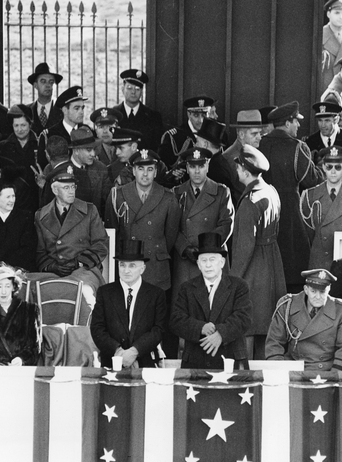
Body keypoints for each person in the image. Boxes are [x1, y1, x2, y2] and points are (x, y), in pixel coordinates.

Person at [258, 101, 324, 293]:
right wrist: (318, 165)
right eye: (296, 121)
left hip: (263, 211)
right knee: (293, 267)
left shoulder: (260, 143)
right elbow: (312, 180)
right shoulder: (297, 147)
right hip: (289, 213)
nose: (299, 125)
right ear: (287, 123)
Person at [230, 145, 287, 359]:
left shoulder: (250, 202)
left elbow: (244, 248)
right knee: (268, 327)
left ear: (245, 171)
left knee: (248, 327)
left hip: (254, 269)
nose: (237, 172)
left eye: (238, 168)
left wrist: (233, 281)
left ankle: (246, 378)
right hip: (272, 263)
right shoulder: (271, 191)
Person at [169, 232, 252, 370]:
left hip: (231, 361)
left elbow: (244, 318)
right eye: (204, 260)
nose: (208, 265)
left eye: (212, 259)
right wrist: (201, 327)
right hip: (196, 363)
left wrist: (221, 334)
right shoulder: (187, 288)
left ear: (222, 262)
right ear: (198, 264)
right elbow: (176, 320)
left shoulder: (239, 286)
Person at [34, 164, 109, 311]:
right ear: (55, 190)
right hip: (54, 273)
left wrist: (79, 263)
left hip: (85, 270)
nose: (71, 192)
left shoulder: (89, 210)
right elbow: (40, 252)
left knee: (79, 292)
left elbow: (101, 244)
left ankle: (80, 333)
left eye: (73, 187)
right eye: (66, 188)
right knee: (40, 293)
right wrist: (52, 266)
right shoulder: (41, 215)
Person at [106, 149, 181, 292]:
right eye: (140, 169)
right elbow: (113, 234)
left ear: (156, 172)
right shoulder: (117, 195)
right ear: (133, 171)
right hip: (128, 267)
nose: (145, 174)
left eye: (150, 169)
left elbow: (170, 237)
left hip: (156, 269)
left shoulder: (168, 198)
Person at [90, 240, 167, 369]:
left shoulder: (156, 294)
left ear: (142, 268)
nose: (126, 270)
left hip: (145, 362)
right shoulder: (105, 292)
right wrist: (118, 351)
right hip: (112, 361)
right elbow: (97, 328)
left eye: (132, 266)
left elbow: (158, 329)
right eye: (122, 265)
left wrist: (134, 351)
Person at [172, 147, 235, 303]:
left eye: (201, 166)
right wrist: (185, 248)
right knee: (187, 307)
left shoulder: (221, 192)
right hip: (186, 260)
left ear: (208, 166)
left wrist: (206, 249)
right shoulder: (177, 193)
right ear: (186, 168)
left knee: (215, 305)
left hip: (212, 258)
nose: (197, 171)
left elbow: (226, 224)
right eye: (192, 166)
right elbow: (171, 227)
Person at [265, 268, 342, 371]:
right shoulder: (287, 306)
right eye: (313, 291)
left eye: (322, 292)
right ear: (306, 289)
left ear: (329, 289)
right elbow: (274, 343)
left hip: (326, 371)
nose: (318, 297)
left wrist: (334, 377)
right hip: (293, 370)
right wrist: (280, 372)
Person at [300, 146, 342, 270]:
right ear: (323, 168)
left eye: (338, 167)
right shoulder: (310, 196)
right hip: (320, 262)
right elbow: (309, 235)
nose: (333, 171)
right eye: (329, 167)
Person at [0, 263, 41, 366]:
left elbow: (34, 346)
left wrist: (21, 359)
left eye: (7, 286)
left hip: (20, 367)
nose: (3, 291)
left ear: (14, 287)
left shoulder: (30, 310)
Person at [0, 178, 37, 271]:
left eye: (13, 196)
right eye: (8, 197)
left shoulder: (25, 217)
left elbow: (28, 248)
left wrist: (9, 268)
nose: (12, 200)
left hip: (18, 270)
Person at [0, 104, 41, 207]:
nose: (19, 129)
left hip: (34, 199)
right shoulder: (3, 147)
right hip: (11, 200)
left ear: (30, 124)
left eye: (23, 125)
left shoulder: (40, 145)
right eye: (16, 126)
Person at [37, 85, 91, 164]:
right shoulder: (49, 135)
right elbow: (44, 168)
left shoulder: (87, 131)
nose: (81, 112)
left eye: (82, 108)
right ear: (65, 110)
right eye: (76, 108)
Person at [113, 69, 164, 152]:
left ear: (141, 92)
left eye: (137, 89)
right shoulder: (114, 114)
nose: (133, 92)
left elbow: (156, 146)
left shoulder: (153, 116)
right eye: (129, 88)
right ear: (122, 90)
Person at [158, 95, 214, 169]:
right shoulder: (173, 137)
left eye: (204, 115)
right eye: (196, 115)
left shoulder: (215, 135)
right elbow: (162, 169)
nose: (200, 120)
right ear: (189, 114)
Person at [67, 128, 111, 217]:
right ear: (76, 151)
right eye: (88, 150)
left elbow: (108, 199)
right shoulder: (62, 169)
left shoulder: (100, 168)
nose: (93, 154)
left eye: (94, 149)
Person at [221, 110, 264, 197]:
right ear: (241, 134)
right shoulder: (231, 158)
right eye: (254, 134)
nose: (259, 137)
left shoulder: (248, 153)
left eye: (260, 133)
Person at [27, 62, 63, 135]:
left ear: (55, 85)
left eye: (51, 82)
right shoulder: (27, 111)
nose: (48, 85)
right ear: (35, 85)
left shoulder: (64, 110)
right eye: (43, 81)